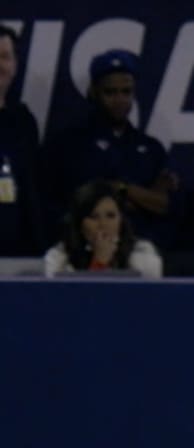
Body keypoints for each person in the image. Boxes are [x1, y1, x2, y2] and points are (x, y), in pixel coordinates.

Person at [41, 50, 177, 249]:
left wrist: (122, 188)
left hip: (142, 249)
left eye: (126, 92)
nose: (119, 100)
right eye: (110, 92)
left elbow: (164, 205)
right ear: (94, 91)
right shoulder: (68, 146)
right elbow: (83, 204)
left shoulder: (151, 148)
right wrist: (140, 198)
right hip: (84, 253)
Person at [42, 180, 162, 277]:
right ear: (80, 223)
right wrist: (99, 263)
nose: (103, 224)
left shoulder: (142, 253)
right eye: (93, 217)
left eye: (111, 216)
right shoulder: (59, 257)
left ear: (121, 220)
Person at [0, 25, 43, 257]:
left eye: (5, 57)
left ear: (15, 66)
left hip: (13, 254)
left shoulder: (23, 122)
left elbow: (30, 191)